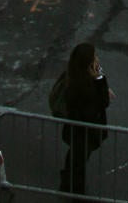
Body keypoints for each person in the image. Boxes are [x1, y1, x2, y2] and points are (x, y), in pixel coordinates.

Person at [54, 42, 111, 197]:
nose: (97, 59)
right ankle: (75, 192)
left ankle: (67, 181)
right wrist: (100, 80)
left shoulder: (74, 77)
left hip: (76, 131)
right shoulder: (83, 87)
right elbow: (102, 103)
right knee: (78, 164)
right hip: (84, 133)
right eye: (94, 57)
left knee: (75, 159)